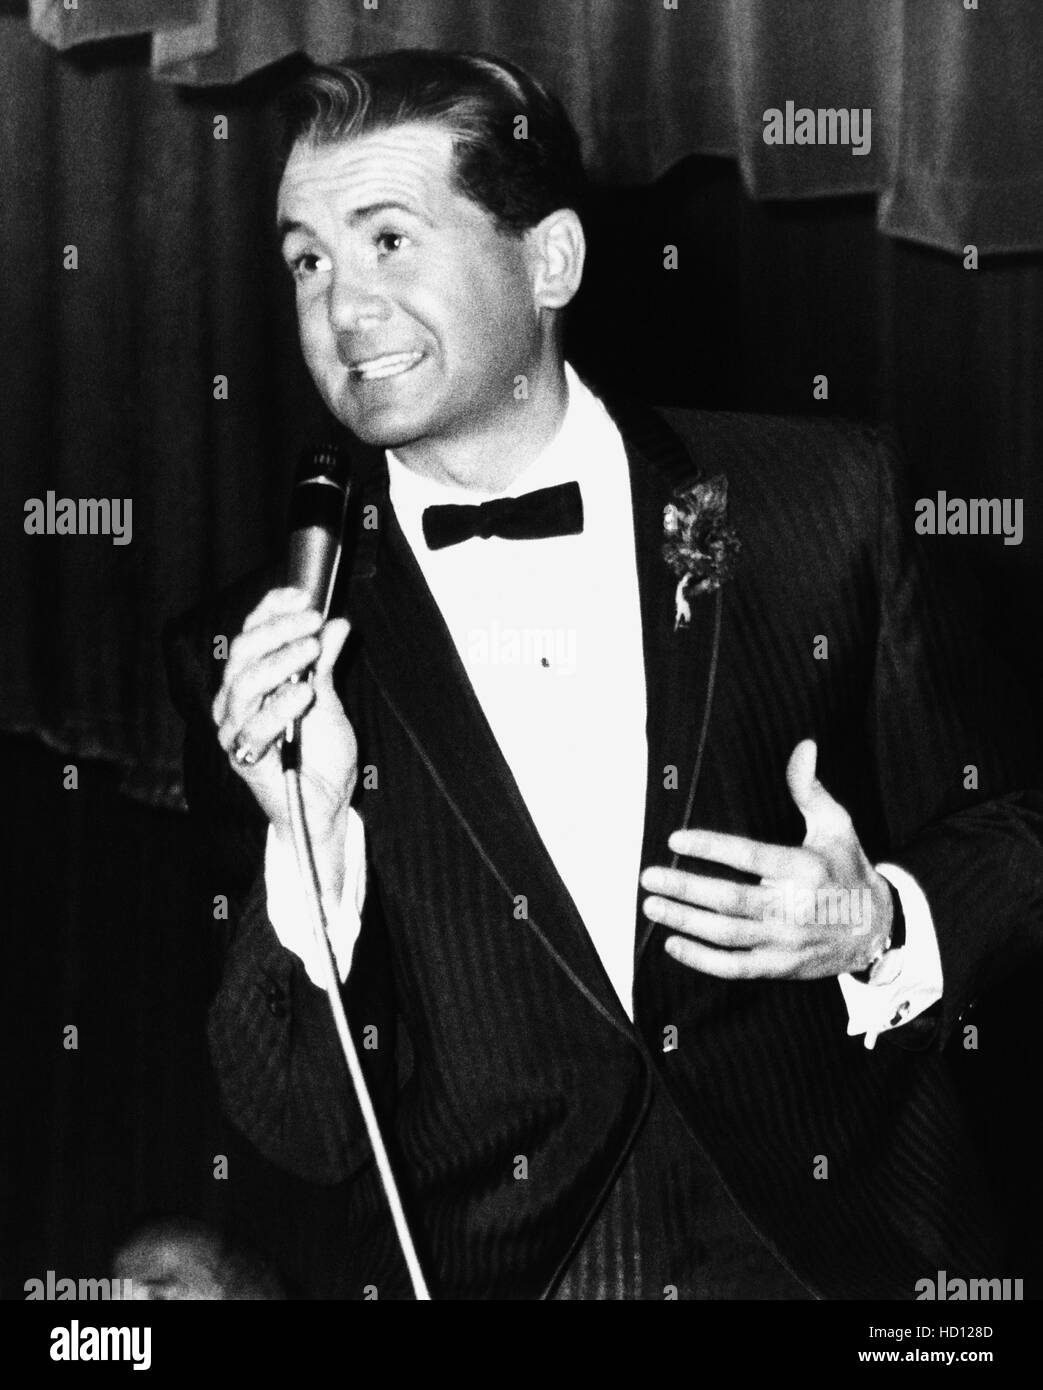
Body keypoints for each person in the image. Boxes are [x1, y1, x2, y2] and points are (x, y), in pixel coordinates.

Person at [164, 48, 1043, 1300]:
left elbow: (1019, 832)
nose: (340, 311)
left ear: (549, 262)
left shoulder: (822, 503)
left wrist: (877, 919)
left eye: (388, 241)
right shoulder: (257, 664)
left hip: (856, 1266)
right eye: (307, 259)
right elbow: (298, 1123)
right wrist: (308, 843)